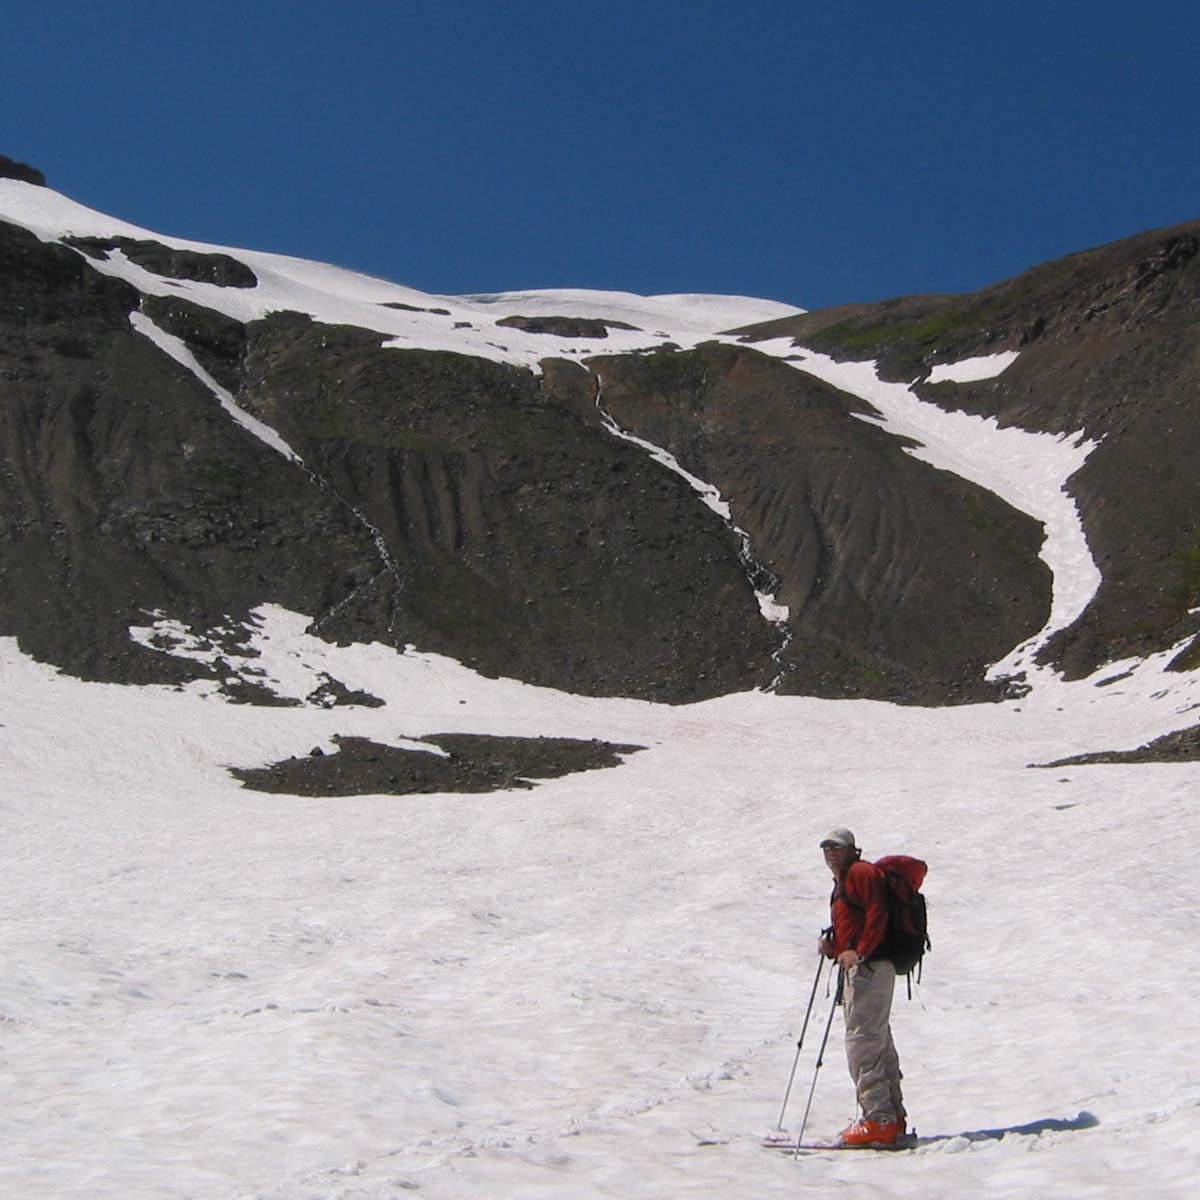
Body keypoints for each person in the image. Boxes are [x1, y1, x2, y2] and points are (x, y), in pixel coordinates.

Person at [818, 827, 906, 1146]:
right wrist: (836, 947)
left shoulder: (860, 872)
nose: (830, 853)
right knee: (877, 1040)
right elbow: (859, 920)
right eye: (826, 848)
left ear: (852, 849)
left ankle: (878, 1119)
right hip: (867, 966)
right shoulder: (848, 878)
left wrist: (861, 951)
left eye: (836, 847)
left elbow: (877, 914)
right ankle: (890, 1116)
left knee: (863, 1042)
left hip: (870, 968)